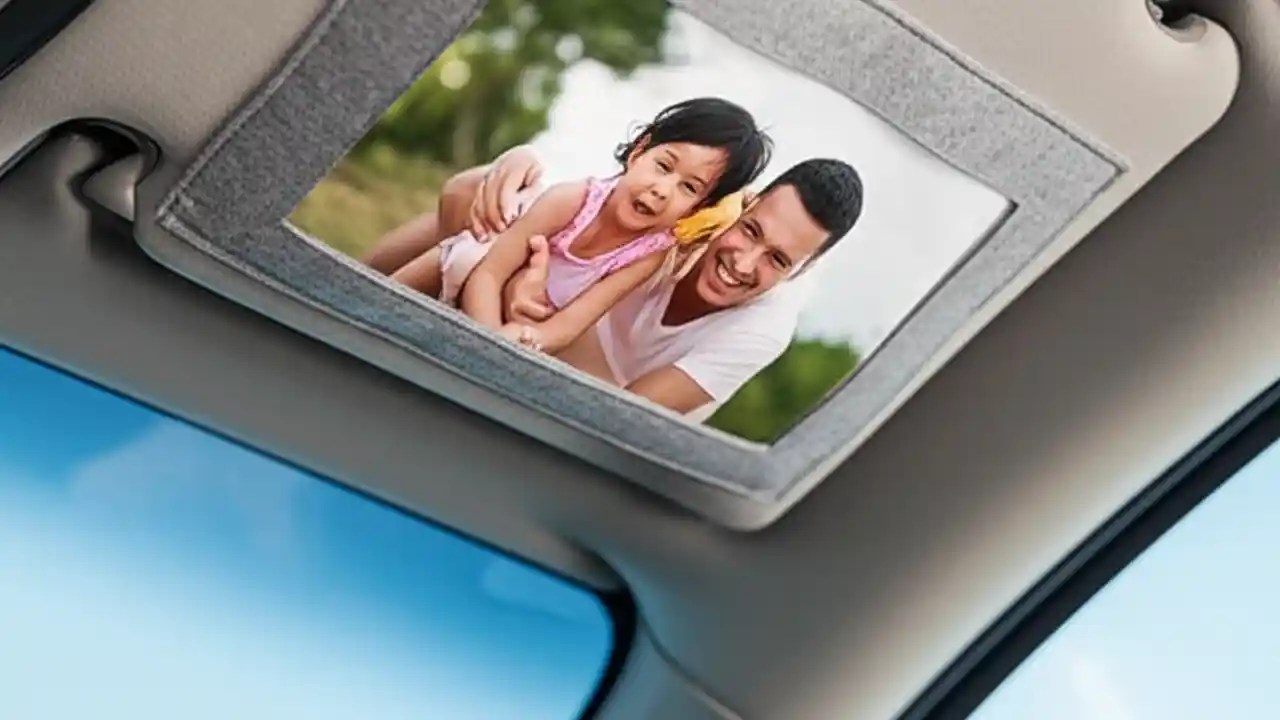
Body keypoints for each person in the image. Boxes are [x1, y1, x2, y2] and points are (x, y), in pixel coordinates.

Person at [367, 151, 863, 420]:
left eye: (777, 260)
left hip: (608, 400)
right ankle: (352, 284)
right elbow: (575, 201)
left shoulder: (764, 329)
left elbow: (616, 418)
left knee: (493, 266)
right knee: (470, 208)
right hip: (569, 323)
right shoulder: (686, 216)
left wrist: (520, 328)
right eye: (751, 231)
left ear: (801, 271)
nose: (743, 263)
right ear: (743, 205)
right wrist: (514, 161)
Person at [386, 98, 773, 354]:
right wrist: (487, 341)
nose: (661, 190)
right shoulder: (571, 200)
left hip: (511, 317)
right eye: (664, 165)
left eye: (688, 187)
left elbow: (569, 325)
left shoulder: (648, 256)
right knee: (387, 296)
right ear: (639, 150)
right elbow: (488, 274)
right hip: (465, 267)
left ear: (698, 206)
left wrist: (528, 339)